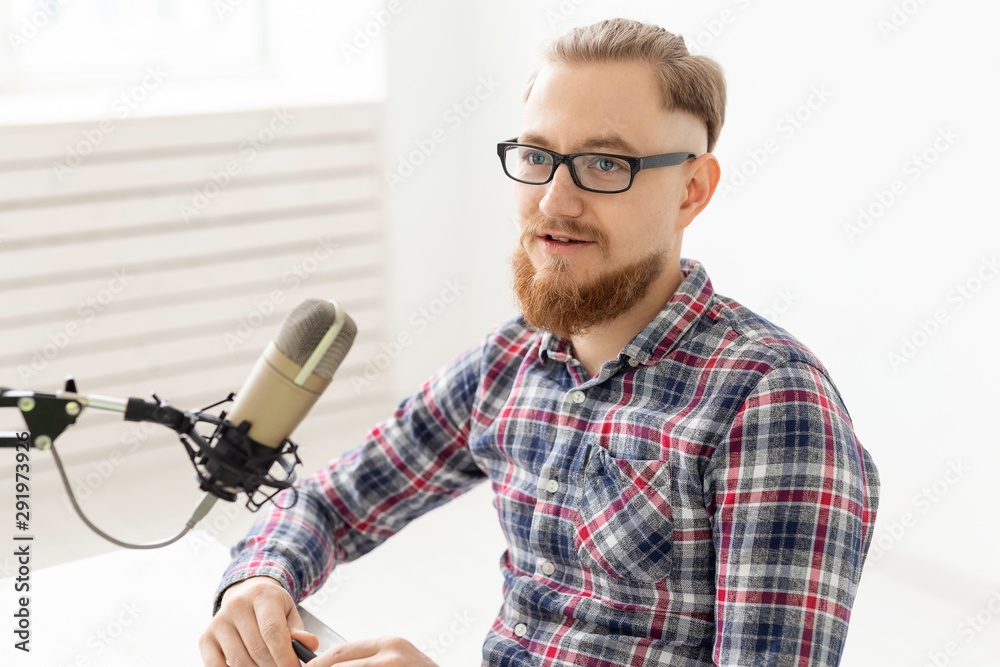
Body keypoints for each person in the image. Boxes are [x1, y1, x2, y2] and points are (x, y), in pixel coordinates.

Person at [199, 17, 879, 667]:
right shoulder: (515, 358)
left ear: (691, 190)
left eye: (606, 164)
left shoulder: (771, 402)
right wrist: (259, 580)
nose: (555, 200)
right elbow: (330, 500)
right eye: (536, 155)